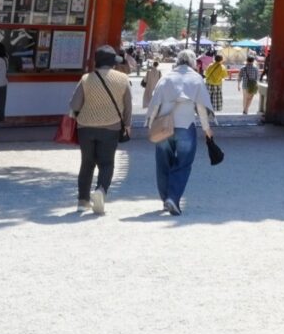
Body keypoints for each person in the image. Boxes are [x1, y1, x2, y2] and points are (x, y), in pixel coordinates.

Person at [65, 46, 133, 214]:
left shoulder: (86, 79)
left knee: (87, 163)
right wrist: (127, 125)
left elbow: (74, 105)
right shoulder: (123, 79)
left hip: (85, 127)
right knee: (107, 163)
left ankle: (82, 200)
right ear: (112, 62)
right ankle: (101, 190)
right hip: (111, 126)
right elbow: (128, 106)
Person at [145, 54, 215, 216]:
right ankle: (173, 197)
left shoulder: (166, 78)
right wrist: (206, 129)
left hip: (163, 126)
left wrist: (150, 124)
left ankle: (165, 199)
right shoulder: (196, 78)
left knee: (163, 163)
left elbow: (155, 104)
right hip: (186, 125)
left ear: (177, 62)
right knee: (183, 163)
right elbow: (201, 107)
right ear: (192, 63)